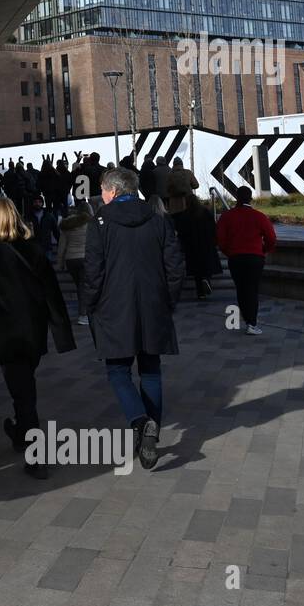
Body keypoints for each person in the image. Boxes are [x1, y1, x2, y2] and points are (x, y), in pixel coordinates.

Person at [0, 198, 75, 479]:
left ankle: (36, 454)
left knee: (23, 391)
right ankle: (20, 432)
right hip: (33, 330)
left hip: (5, 331)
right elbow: (52, 292)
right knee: (24, 384)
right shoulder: (33, 249)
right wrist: (61, 330)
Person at [82, 166, 186, 470]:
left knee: (118, 372)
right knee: (151, 371)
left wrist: (90, 305)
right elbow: (175, 267)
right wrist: (168, 301)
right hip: (153, 306)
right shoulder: (158, 220)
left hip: (114, 309)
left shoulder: (98, 224)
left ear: (113, 191)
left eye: (102, 189)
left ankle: (141, 423)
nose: (100, 195)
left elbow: (93, 272)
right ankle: (150, 431)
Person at [216, 186, 277, 336]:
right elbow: (271, 238)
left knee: (241, 289)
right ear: (250, 198)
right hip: (255, 257)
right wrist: (264, 250)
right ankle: (252, 322)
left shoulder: (227, 216)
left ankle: (246, 317)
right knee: (252, 289)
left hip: (235, 258)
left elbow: (220, 239)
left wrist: (229, 252)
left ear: (236, 197)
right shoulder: (259, 216)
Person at [171, 193, 221, 299]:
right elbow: (213, 228)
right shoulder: (206, 213)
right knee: (207, 266)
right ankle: (206, 279)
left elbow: (181, 232)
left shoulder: (184, 215)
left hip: (192, 247)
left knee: (196, 271)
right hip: (206, 245)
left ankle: (200, 293)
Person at [57, 197, 93, 326]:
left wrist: (60, 263)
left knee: (80, 286)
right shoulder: (91, 223)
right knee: (83, 287)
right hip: (85, 258)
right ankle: (83, 315)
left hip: (70, 259)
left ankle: (84, 312)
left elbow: (62, 246)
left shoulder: (68, 224)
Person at [27, 194, 60, 260]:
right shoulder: (28, 217)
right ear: (33, 203)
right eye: (35, 202)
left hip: (47, 246)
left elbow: (55, 231)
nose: (37, 204)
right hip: (34, 247)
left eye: (39, 202)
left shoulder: (49, 216)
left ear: (42, 203)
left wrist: (59, 243)